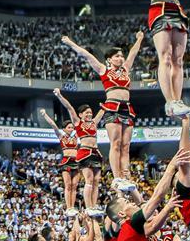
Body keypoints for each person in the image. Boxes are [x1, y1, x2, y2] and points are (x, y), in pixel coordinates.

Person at [60, 32, 144, 192]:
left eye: (121, 56)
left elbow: (133, 52)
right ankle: (117, 177)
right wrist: (70, 43)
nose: (121, 58)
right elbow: (86, 55)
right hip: (112, 107)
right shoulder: (103, 69)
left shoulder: (126, 69)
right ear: (109, 59)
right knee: (116, 144)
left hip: (127, 108)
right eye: (117, 56)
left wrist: (139, 39)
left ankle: (126, 177)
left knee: (126, 146)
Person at [54, 89, 106, 217]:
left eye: (90, 112)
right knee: (89, 180)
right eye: (86, 112)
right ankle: (88, 207)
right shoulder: (78, 122)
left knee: (96, 181)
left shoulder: (94, 122)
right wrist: (59, 95)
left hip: (95, 153)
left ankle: (93, 206)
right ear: (81, 114)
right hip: (85, 152)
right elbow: (69, 107)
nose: (89, 114)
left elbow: (103, 109)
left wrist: (106, 104)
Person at [40, 109, 81, 216]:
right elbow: (53, 124)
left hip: (76, 161)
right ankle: (69, 207)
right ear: (64, 128)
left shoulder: (76, 136)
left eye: (72, 127)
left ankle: (73, 207)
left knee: (74, 186)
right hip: (66, 161)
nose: (71, 129)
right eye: (69, 127)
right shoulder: (61, 136)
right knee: (68, 185)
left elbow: (79, 123)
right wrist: (45, 114)